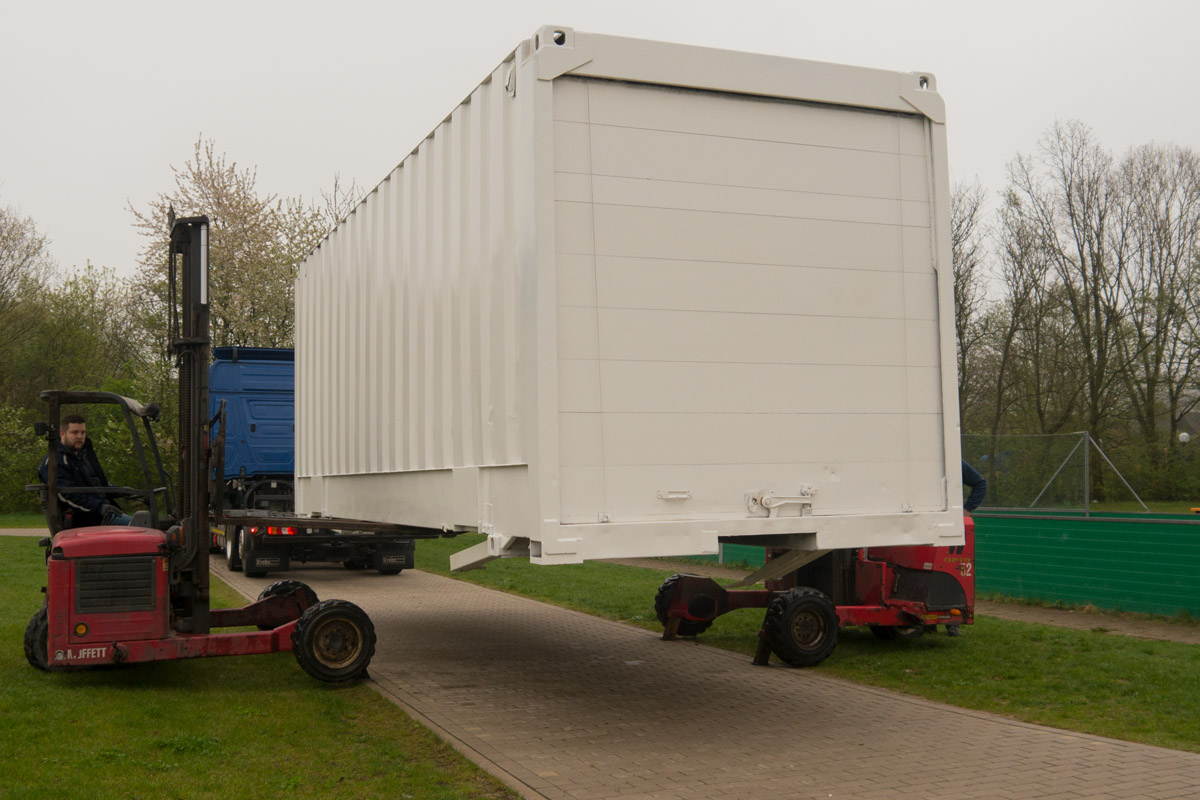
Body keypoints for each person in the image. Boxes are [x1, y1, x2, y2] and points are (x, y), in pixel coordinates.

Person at [38, 414, 132, 529]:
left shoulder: (83, 456)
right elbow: (65, 495)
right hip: (84, 519)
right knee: (143, 527)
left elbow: (99, 485)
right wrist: (100, 507)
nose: (79, 436)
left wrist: (123, 491)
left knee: (146, 520)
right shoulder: (56, 460)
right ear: (62, 434)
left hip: (101, 513)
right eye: (74, 432)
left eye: (82, 432)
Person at [946, 460, 988, 637]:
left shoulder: (953, 461)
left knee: (951, 569)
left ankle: (953, 621)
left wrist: (966, 511)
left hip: (949, 524)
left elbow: (980, 484)